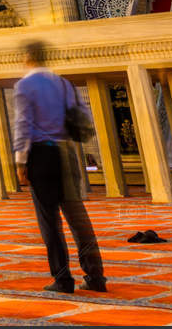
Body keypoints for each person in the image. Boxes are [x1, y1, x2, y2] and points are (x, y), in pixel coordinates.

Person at [13, 40, 106, 294]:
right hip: (67, 152)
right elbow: (83, 117)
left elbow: (24, 125)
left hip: (42, 154)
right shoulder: (63, 83)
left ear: (28, 57)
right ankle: (96, 276)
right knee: (78, 218)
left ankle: (63, 279)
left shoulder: (25, 86)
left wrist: (21, 161)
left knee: (49, 221)